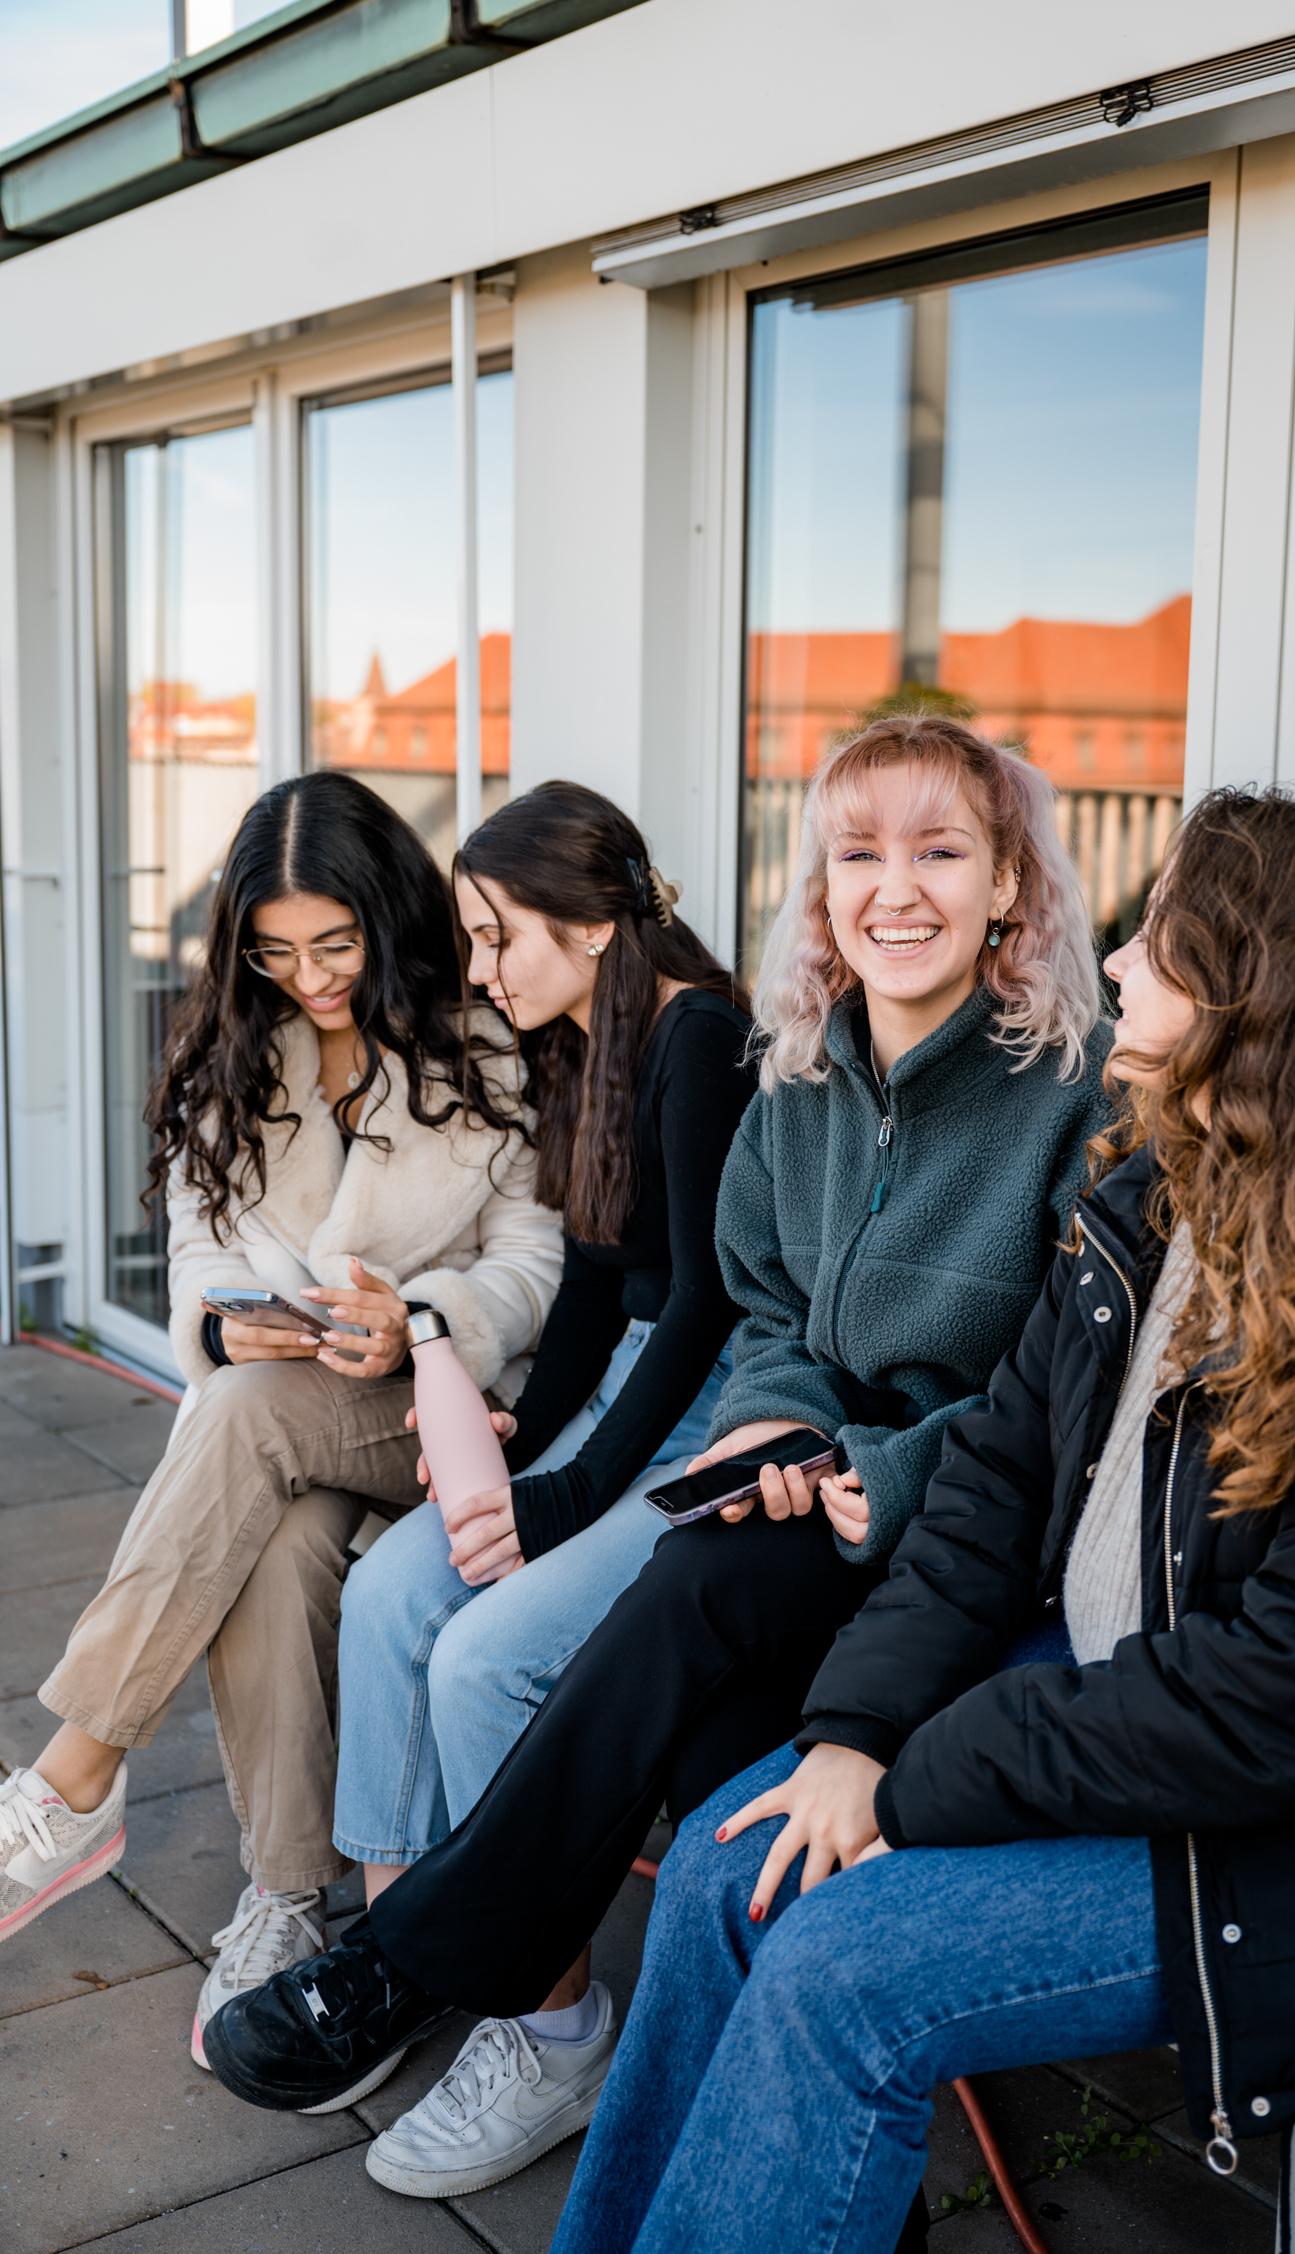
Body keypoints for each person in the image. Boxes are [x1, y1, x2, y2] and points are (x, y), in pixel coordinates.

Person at [539, 785, 1295, 2254]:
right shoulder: (1155, 1202)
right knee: (732, 1862)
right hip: (1112, 1701)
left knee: (841, 1970)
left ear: (1273, 1001)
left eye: (1161, 944)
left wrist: (921, 1779)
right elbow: (990, 1484)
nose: (1115, 963)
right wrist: (857, 1729)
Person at [200, 713, 1115, 2203]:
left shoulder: (1068, 1095)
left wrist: (879, 1465)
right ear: (820, 890)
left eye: (942, 850)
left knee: (683, 1586)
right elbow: (761, 1309)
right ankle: (775, 2164)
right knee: (711, 1764)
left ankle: (415, 1955)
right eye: (860, 852)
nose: (898, 887)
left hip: (967, 1537)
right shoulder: (801, 1080)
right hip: (803, 1505)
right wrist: (771, 1419)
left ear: (1010, 885)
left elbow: (1058, 1399)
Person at [0, 773, 563, 2073]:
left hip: (445, 1412)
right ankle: (287, 1895)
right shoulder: (233, 1051)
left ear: (387, 915)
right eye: (275, 948)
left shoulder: (481, 1048)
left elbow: (535, 1255)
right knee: (284, 1535)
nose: (307, 974)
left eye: (335, 941)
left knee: (248, 1425)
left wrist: (423, 1313)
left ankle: (75, 1778)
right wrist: (220, 1324)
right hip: (285, 1412)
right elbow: (197, 1249)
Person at [329, 781, 754, 2091]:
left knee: (477, 1660)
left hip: (706, 1405)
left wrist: (564, 1495)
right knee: (388, 1589)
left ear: (589, 922)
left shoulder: (701, 1039)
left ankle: (554, 2032)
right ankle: (406, 1960)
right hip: (629, 1392)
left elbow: (702, 1305)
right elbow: (587, 1287)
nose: (482, 967)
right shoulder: (581, 1042)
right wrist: (527, 1431)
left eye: (497, 933)